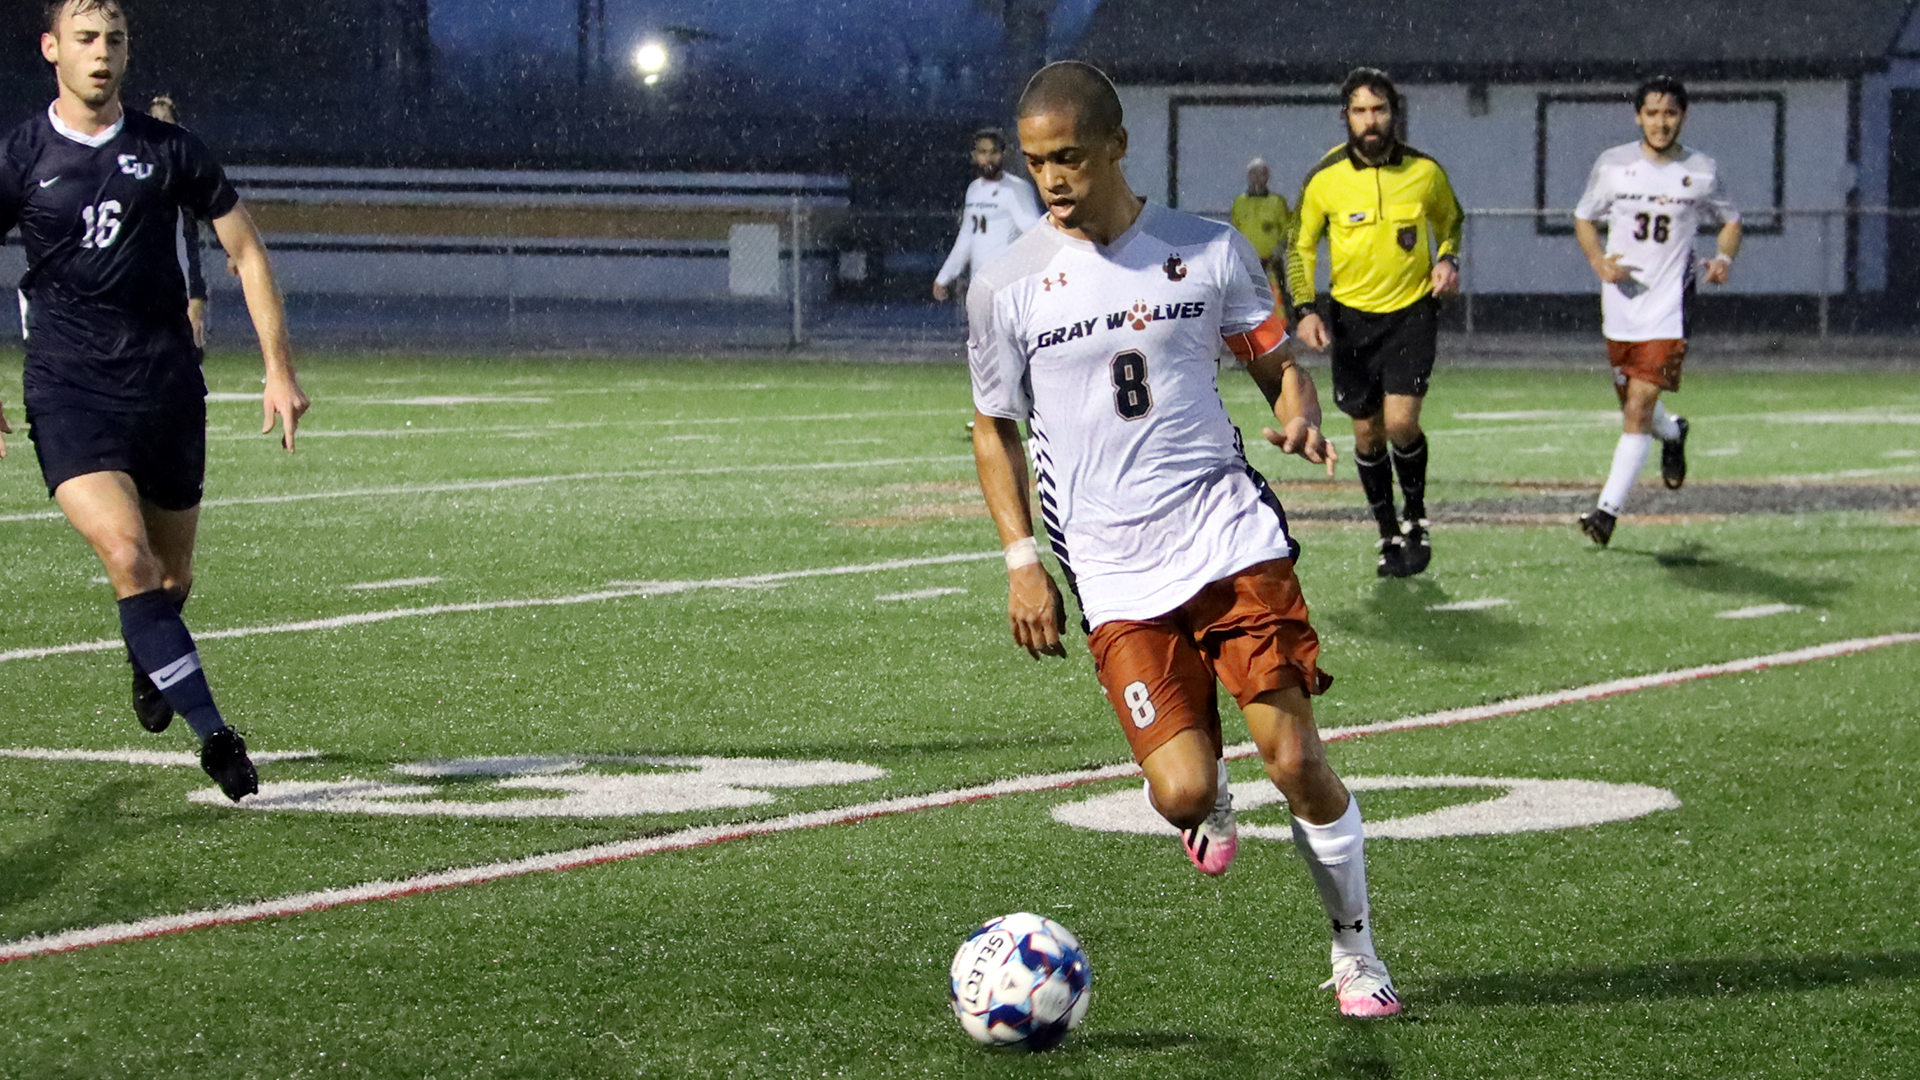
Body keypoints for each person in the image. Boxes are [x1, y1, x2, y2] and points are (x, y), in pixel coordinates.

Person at [969, 60, 1400, 1019]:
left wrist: (1300, 413)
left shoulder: (1206, 251)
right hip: (1112, 566)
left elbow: (1276, 368)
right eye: (1038, 163)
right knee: (1178, 790)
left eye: (1070, 157)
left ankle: (1356, 952)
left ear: (1118, 145)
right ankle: (1206, 796)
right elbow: (992, 426)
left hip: (1226, 535)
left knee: (1294, 759)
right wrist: (1019, 559)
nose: (1053, 180)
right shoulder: (1005, 285)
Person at [0, 0, 310, 801]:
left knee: (170, 580)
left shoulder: (168, 149)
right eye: (85, 39)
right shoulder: (22, 154)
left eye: (114, 40)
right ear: (51, 49)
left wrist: (279, 369)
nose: (101, 54)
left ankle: (150, 651)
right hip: (69, 392)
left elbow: (245, 251)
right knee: (128, 557)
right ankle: (217, 736)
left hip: (168, 390)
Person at [1289, 68, 1462, 578]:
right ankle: (1387, 532)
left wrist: (1448, 259)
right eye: (1360, 110)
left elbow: (1450, 220)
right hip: (1351, 320)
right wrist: (1305, 310)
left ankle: (1416, 518)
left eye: (1379, 109)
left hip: (1411, 313)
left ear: (1394, 113)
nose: (1370, 120)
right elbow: (1299, 246)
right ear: (1346, 116)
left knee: (1402, 423)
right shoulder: (1325, 178)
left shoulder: (1425, 172)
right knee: (1367, 434)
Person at [1572, 76, 1739, 546]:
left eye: (1669, 113)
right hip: (1622, 302)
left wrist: (1723, 259)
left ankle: (1606, 511)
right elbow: (1584, 216)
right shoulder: (1614, 165)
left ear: (1682, 115)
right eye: (1652, 113)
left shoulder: (1701, 170)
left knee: (1640, 404)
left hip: (1670, 303)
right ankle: (1674, 432)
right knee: (1631, 401)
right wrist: (1598, 260)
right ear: (1638, 116)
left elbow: (1730, 220)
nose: (1661, 123)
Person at [932, 128, 1041, 303]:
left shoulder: (1016, 189)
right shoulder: (974, 190)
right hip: (980, 284)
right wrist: (944, 276)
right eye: (983, 152)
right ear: (974, 156)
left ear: (1004, 154)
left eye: (994, 152)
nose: (988, 159)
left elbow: (1036, 233)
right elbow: (967, 237)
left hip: (1009, 285)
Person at [144, 93, 206, 348]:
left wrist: (231, 251)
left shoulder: (187, 162)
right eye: (155, 121)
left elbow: (212, 207)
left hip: (182, 259)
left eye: (165, 121)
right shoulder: (139, 160)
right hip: (145, 261)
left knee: (191, 329)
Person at [1229, 157, 1290, 301]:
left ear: (1267, 177)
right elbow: (1233, 230)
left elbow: (1288, 230)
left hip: (1271, 265)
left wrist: (1277, 253)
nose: (1257, 178)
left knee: (1277, 304)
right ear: (1248, 177)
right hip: (1247, 264)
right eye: (1253, 174)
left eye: (1261, 174)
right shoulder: (1240, 202)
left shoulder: (1277, 201)